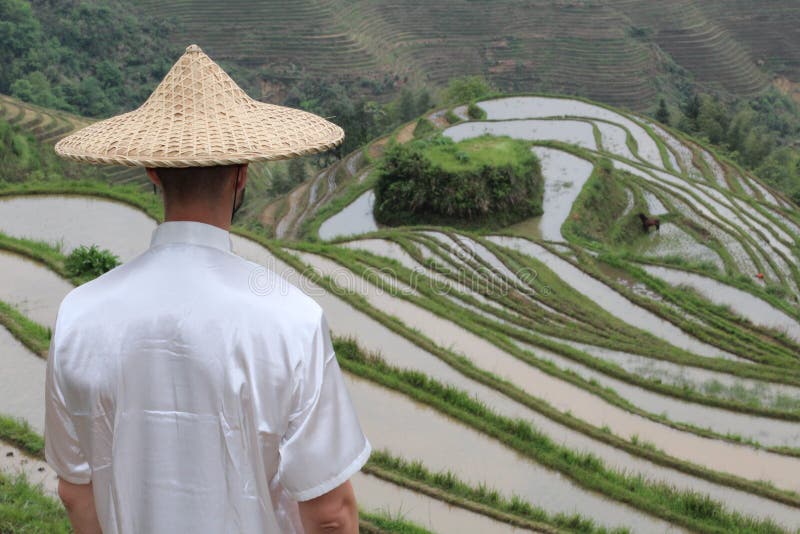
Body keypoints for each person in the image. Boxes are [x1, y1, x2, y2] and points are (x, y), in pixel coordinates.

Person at [46, 44, 370, 533]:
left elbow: (75, 492)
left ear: (152, 170)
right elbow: (329, 514)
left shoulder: (79, 315)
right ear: (243, 173)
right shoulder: (291, 319)